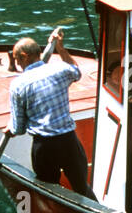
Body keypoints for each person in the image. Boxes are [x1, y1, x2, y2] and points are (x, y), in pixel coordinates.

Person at [6, 29, 96, 199]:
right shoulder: (60, 70)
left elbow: (18, 128)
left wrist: (10, 128)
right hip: (69, 142)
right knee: (81, 187)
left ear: (24, 56)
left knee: (50, 192)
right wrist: (60, 48)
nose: (17, 64)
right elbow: (76, 71)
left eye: (17, 59)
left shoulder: (18, 85)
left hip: (44, 147)